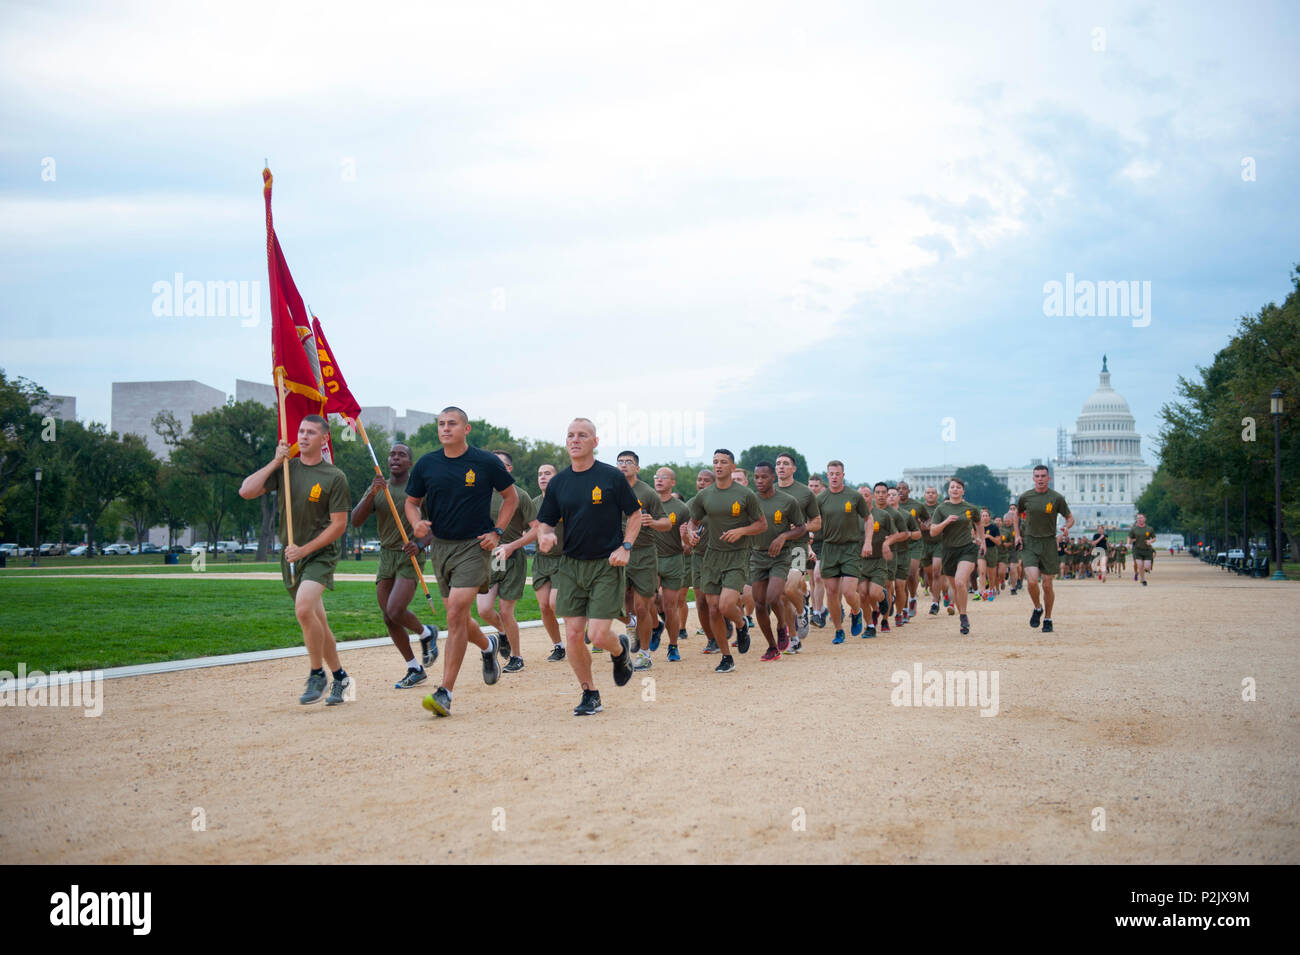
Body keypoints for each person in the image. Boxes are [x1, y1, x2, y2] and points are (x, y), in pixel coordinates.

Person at [405, 407, 517, 718]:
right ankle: (488, 647)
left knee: (455, 612)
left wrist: (497, 532)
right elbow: (411, 503)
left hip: (474, 547)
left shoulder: (485, 462)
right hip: (441, 548)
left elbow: (511, 498)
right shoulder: (427, 464)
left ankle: (445, 692)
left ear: (466, 429)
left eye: (452, 424)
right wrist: (416, 523)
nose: (445, 429)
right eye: (441, 424)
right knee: (459, 618)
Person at [238, 414, 353, 705]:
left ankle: (317, 674)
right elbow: (246, 491)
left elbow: (339, 525)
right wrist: (276, 461)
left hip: (320, 555)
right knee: (318, 623)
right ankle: (340, 677)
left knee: (303, 610)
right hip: (290, 556)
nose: (303, 436)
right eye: (301, 431)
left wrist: (305, 550)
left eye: (311, 432)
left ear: (324, 438)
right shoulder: (287, 469)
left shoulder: (334, 477)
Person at [536, 418, 643, 715]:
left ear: (595, 442)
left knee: (596, 635)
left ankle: (619, 650)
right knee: (572, 634)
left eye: (582, 435)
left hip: (606, 564)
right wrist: (544, 535)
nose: (575, 440)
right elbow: (546, 519)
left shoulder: (610, 477)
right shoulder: (559, 483)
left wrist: (626, 547)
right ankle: (590, 693)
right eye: (570, 435)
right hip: (570, 565)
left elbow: (634, 515)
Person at [348, 442, 439, 689]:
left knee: (396, 609)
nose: (395, 458)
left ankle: (426, 632)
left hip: (410, 555)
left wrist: (420, 545)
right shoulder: (379, 487)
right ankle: (414, 667)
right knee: (388, 617)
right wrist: (371, 493)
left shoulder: (419, 490)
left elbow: (437, 526)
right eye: (392, 455)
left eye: (402, 455)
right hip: (386, 555)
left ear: (410, 463)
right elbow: (355, 520)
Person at [682, 450, 766, 673]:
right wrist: (691, 533)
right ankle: (726, 657)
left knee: (726, 604)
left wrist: (741, 531)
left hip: (737, 554)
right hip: (712, 555)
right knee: (712, 609)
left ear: (732, 466)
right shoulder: (704, 495)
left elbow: (761, 524)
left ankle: (741, 624)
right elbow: (692, 522)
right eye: (715, 462)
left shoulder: (745, 495)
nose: (719, 465)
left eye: (723, 462)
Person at [479, 450, 539, 673]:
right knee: (484, 609)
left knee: (506, 611)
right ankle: (503, 634)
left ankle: (517, 657)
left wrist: (512, 546)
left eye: (499, 464)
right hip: (489, 559)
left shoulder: (520, 495)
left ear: (509, 469)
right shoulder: (479, 493)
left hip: (512, 557)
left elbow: (536, 530)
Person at [616, 451, 668, 670]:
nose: (624, 465)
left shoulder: (647, 492)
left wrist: (653, 522)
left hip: (644, 554)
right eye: (620, 462)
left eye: (629, 462)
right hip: (618, 552)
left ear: (637, 468)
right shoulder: (611, 490)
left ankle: (645, 654)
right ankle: (632, 625)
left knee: (642, 605)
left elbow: (667, 523)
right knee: (618, 603)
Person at [749, 462, 807, 659]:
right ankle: (772, 646)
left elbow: (801, 528)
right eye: (756, 477)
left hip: (780, 556)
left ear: (773, 478)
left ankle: (782, 626)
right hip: (757, 556)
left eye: (764, 477)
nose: (759, 481)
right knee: (759, 604)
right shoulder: (750, 500)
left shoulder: (788, 501)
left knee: (773, 597)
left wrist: (783, 537)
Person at [814, 461, 870, 643]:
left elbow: (868, 519)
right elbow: (813, 520)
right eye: (831, 474)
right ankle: (838, 630)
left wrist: (867, 542)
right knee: (831, 592)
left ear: (843, 475)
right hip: (829, 548)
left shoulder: (854, 496)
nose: (834, 477)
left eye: (838, 473)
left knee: (847, 591)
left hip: (850, 548)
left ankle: (856, 611)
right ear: (827, 476)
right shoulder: (821, 499)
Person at [1014, 464, 1074, 634]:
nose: (1040, 479)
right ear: (1033, 478)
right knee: (1032, 581)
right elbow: (1016, 514)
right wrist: (1018, 535)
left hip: (1049, 543)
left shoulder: (1056, 498)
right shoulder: (1026, 497)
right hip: (1030, 542)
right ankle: (1037, 607)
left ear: (1049, 478)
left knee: (1047, 585)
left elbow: (1070, 518)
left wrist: (1066, 528)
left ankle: (1048, 618)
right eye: (1037, 476)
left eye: (1043, 476)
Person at [775, 452, 821, 652]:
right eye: (778, 464)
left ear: (793, 469)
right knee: (782, 597)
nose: (781, 467)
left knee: (790, 588)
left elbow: (817, 522)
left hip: (798, 547)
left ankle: (802, 612)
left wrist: (801, 527)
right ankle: (793, 638)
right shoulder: (768, 491)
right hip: (775, 549)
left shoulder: (805, 493)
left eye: (786, 464)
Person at [928, 478, 983, 636]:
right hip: (948, 551)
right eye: (952, 487)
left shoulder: (970, 508)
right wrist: (946, 522)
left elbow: (978, 523)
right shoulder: (941, 509)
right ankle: (961, 614)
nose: (955, 489)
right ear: (948, 490)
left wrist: (981, 540)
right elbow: (933, 531)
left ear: (963, 491)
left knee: (960, 582)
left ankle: (964, 616)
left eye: (958, 487)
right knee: (955, 586)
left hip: (967, 548)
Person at [653, 467, 691, 662]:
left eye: (664, 477)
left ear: (672, 482)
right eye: (657, 477)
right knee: (647, 598)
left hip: (674, 559)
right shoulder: (647, 503)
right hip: (651, 559)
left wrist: (685, 538)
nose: (659, 480)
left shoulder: (682, 509)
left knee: (670, 606)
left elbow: (688, 545)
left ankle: (673, 645)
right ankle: (655, 626)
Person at [1129, 514, 1157, 585]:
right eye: (1138, 518)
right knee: (1140, 565)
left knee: (1147, 567)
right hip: (1137, 550)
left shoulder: (1149, 529)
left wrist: (1150, 541)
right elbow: (1129, 537)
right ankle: (1143, 579)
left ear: (1145, 519)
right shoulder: (1134, 529)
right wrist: (1128, 543)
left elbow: (1154, 538)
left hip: (1147, 550)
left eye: (1141, 518)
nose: (1139, 519)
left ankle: (1143, 573)